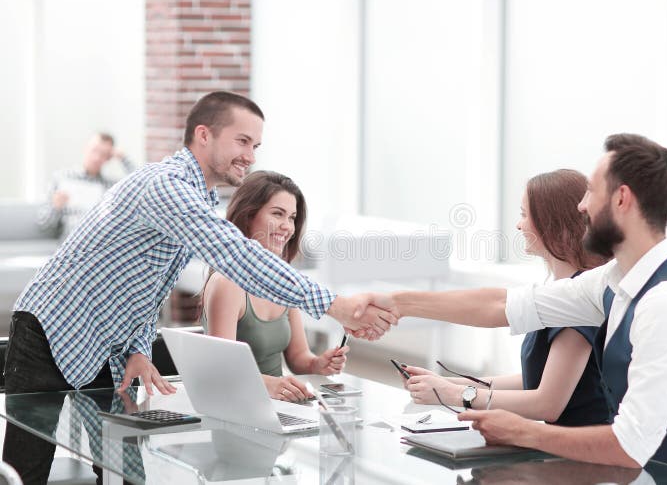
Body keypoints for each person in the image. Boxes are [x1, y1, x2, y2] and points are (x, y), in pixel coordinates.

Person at [3, 91, 397, 484]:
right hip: (51, 330)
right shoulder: (166, 186)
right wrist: (334, 304)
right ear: (204, 135)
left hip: (103, 344)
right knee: (26, 469)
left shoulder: (195, 195)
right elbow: (237, 254)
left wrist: (138, 349)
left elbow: (145, 286)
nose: (251, 156)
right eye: (242, 141)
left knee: (126, 469)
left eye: (256, 145)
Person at [382, 134, 667, 477]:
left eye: (591, 191)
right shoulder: (611, 281)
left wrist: (518, 428)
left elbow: (629, 445)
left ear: (622, 199)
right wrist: (396, 303)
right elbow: (501, 304)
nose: (581, 206)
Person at [398, 169, 610, 427]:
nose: (518, 225)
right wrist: (444, 383)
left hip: (580, 454)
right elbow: (534, 380)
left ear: (552, 223)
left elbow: (548, 403)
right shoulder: (559, 292)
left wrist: (455, 394)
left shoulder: (577, 302)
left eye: (524, 215)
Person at [202, 171, 349, 402]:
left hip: (279, 406)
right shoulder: (227, 283)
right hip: (237, 405)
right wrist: (270, 384)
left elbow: (298, 357)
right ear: (249, 215)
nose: (287, 227)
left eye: (291, 217)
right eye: (277, 214)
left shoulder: (283, 279)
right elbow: (224, 370)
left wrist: (318, 363)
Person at [38, 132, 135, 237]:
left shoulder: (110, 186)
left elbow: (138, 184)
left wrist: (123, 158)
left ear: (108, 158)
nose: (97, 158)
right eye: (94, 150)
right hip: (72, 238)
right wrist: (55, 207)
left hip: (100, 237)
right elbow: (43, 224)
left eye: (103, 154)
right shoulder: (62, 177)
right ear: (86, 149)